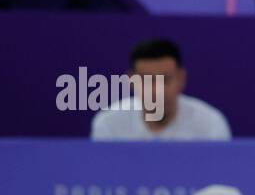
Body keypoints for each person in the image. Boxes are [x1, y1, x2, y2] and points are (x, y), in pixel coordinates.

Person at [91, 38, 232, 141]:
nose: (156, 91)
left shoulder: (210, 124)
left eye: (165, 80)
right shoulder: (108, 123)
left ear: (181, 79)